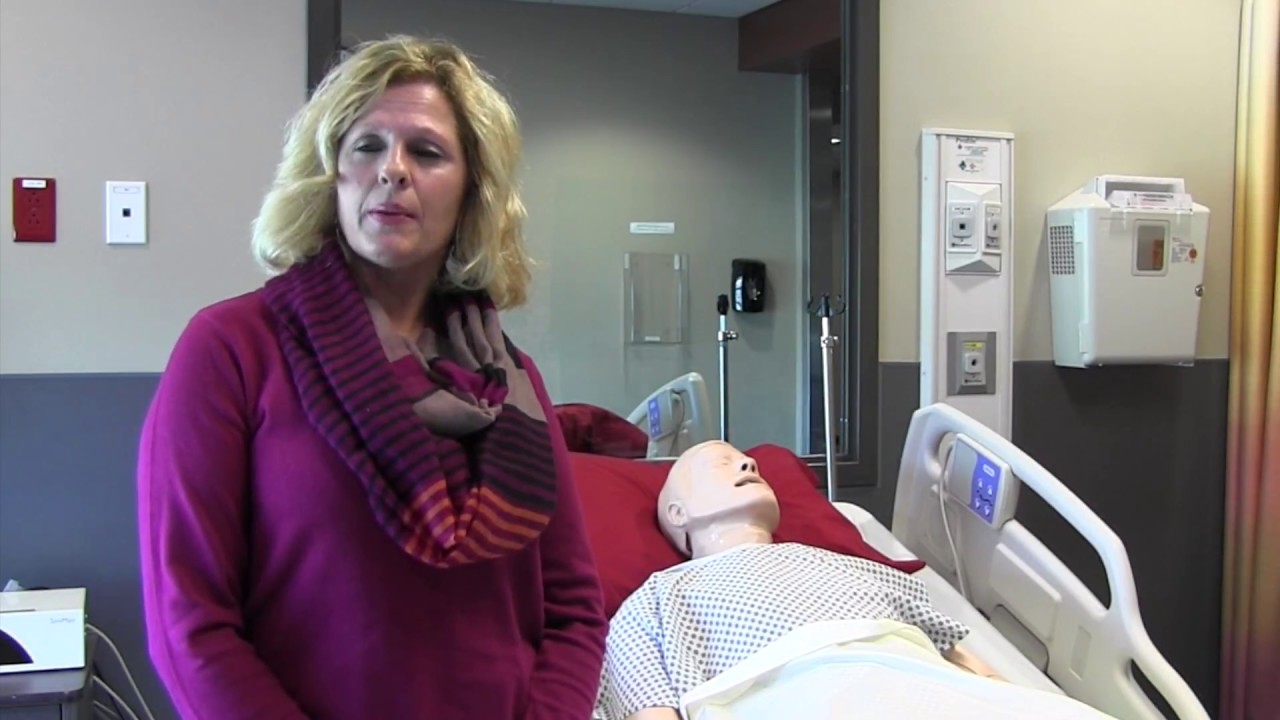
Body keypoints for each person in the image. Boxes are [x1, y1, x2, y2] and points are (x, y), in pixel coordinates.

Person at [137, 34, 608, 720]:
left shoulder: (511, 379)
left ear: (471, 192)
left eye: (427, 152)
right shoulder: (232, 349)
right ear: (328, 174)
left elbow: (573, 612)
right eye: (366, 146)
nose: (393, 170)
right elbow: (190, 623)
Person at [595, 440, 1117, 720]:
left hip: (927, 688)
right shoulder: (654, 600)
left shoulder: (853, 565)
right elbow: (650, 711)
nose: (749, 463)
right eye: (720, 462)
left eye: (746, 458)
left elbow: (970, 670)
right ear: (678, 512)